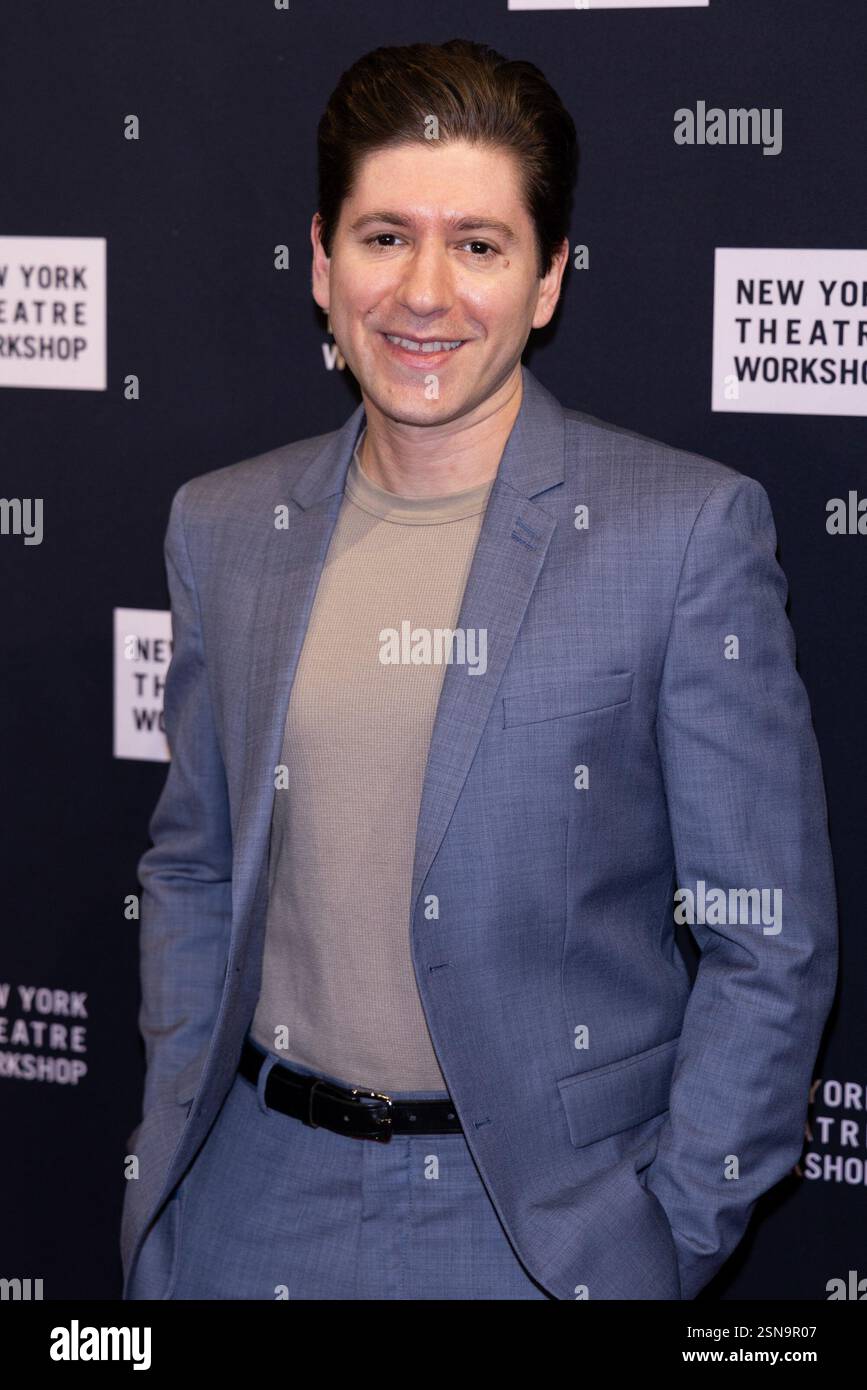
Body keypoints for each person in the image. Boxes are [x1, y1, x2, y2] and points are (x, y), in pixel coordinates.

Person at [121, 38, 837, 1301]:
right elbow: (195, 861)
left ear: (549, 279)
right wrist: (173, 1143)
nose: (425, 292)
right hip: (245, 1198)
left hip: (534, 1235)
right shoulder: (226, 529)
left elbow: (766, 944)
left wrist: (658, 1240)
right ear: (323, 260)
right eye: (385, 236)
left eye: (482, 245)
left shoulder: (682, 537)